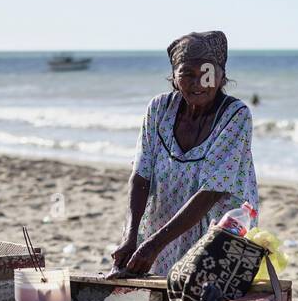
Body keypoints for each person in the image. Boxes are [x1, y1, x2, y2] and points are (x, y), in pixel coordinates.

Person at [108, 30, 258, 277]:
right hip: (162, 226)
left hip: (216, 231)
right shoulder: (159, 109)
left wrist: (154, 245)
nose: (198, 83)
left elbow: (212, 190)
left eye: (207, 74)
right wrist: (131, 235)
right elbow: (141, 175)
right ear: (174, 78)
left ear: (221, 77)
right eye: (187, 74)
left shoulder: (236, 115)